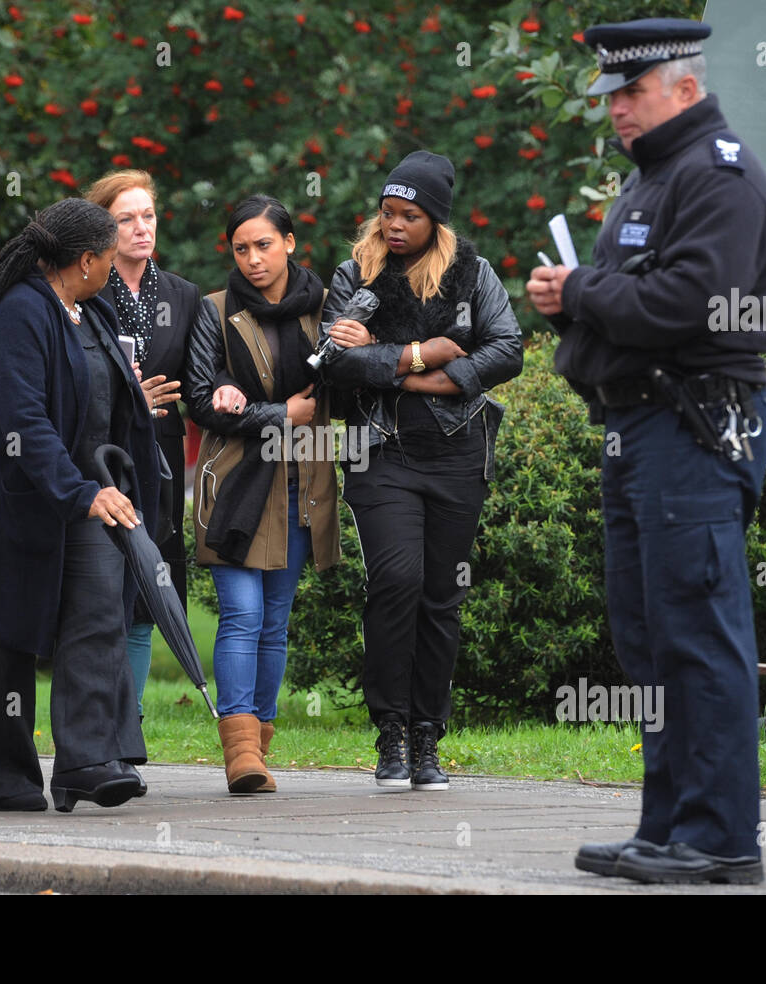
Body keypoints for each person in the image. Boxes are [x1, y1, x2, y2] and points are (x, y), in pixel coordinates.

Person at [527, 18, 766, 885]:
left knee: (699, 634)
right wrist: (572, 306)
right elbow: (629, 305)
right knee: (647, 639)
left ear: (685, 86)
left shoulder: (720, 178)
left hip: (693, 428)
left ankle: (720, 839)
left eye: (631, 93)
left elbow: (693, 305)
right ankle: (668, 824)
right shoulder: (650, 184)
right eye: (611, 96)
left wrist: (585, 290)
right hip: (638, 430)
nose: (617, 111)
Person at [0, 198, 162, 812]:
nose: (122, 253)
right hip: (12, 499)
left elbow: (100, 394)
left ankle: (86, 761)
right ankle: (6, 777)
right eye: (111, 247)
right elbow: (26, 423)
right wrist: (81, 492)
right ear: (87, 259)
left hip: (87, 493)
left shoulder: (88, 307)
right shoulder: (20, 312)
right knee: (4, 639)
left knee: (99, 617)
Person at [320, 151, 523, 792]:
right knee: (397, 582)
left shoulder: (473, 274)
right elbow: (330, 359)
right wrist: (412, 353)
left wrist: (436, 381)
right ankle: (392, 730)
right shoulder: (355, 276)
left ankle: (429, 734)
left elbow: (507, 348)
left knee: (441, 596)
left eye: (410, 216)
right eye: (388, 214)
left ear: (436, 219)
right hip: (381, 453)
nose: (395, 226)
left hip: (458, 454)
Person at [186, 195, 341, 793]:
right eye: (242, 249)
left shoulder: (327, 310)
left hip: (303, 485)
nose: (253, 259)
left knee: (274, 622)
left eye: (264, 245)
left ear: (291, 243)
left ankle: (261, 746)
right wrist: (276, 412)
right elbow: (200, 400)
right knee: (243, 615)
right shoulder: (215, 311)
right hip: (234, 490)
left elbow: (343, 390)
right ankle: (239, 752)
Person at [86, 170, 195, 717]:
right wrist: (126, 394)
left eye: (147, 216)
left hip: (161, 456)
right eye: (125, 219)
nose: (140, 228)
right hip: (100, 454)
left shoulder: (182, 294)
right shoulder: (85, 287)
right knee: (99, 589)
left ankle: (128, 724)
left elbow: (197, 382)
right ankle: (95, 719)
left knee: (149, 591)